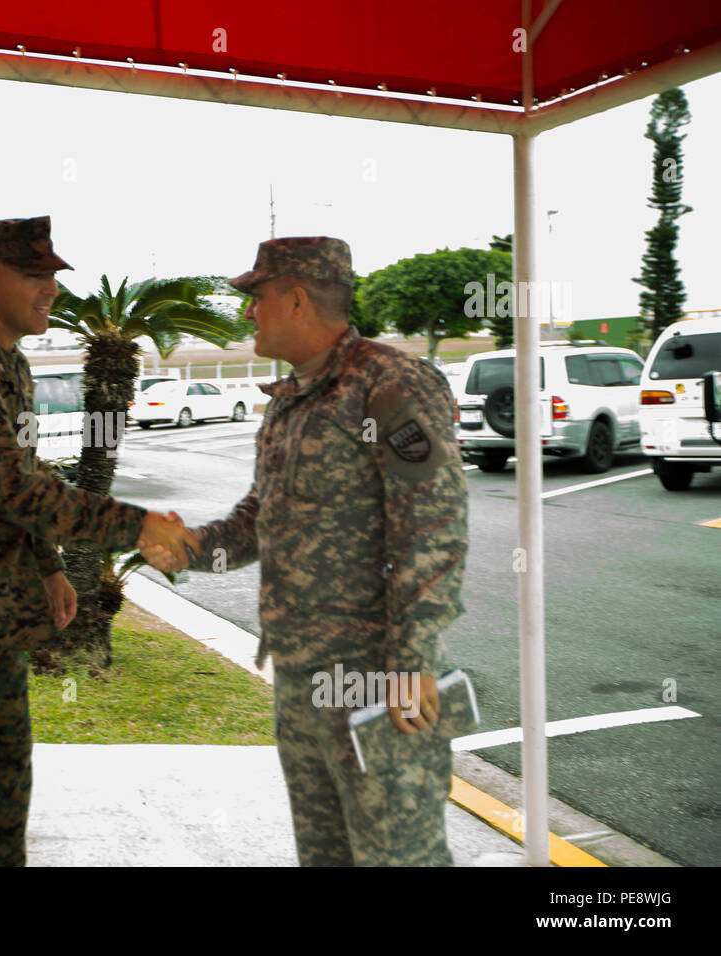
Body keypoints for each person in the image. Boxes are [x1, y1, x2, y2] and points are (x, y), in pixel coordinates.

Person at [0, 215, 198, 866]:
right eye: (34, 275)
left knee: (3, 804)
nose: (50, 288)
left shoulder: (9, 365)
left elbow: (18, 484)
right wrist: (138, 525)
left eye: (53, 275)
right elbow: (20, 491)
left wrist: (49, 567)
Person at [143, 237, 468, 866]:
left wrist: (412, 660)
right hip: (302, 681)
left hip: (375, 678)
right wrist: (190, 549)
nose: (247, 314)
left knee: (398, 857)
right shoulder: (291, 402)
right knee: (324, 855)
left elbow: (434, 527)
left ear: (295, 299)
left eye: (256, 297)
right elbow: (256, 521)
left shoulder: (389, 383)